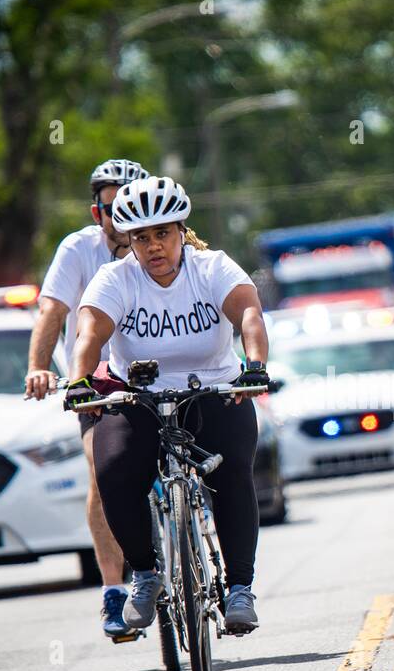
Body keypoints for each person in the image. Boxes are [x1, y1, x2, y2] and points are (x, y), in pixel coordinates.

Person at [65, 176, 271, 638]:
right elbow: (90, 335)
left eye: (162, 233)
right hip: (140, 398)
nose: (154, 246)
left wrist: (254, 367)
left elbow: (249, 315)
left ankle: (239, 589)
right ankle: (144, 574)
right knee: (112, 469)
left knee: (233, 471)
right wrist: (80, 380)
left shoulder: (212, 267)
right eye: (142, 237)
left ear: (181, 231)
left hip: (213, 392)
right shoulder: (116, 279)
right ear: (129, 240)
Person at [25, 158, 147, 633]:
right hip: (96, 381)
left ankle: (198, 541)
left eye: (133, 208)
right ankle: (114, 588)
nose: (124, 220)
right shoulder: (77, 250)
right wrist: (38, 367)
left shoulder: (166, 243)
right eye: (114, 210)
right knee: (103, 474)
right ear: (97, 213)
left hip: (159, 379)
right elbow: (52, 311)